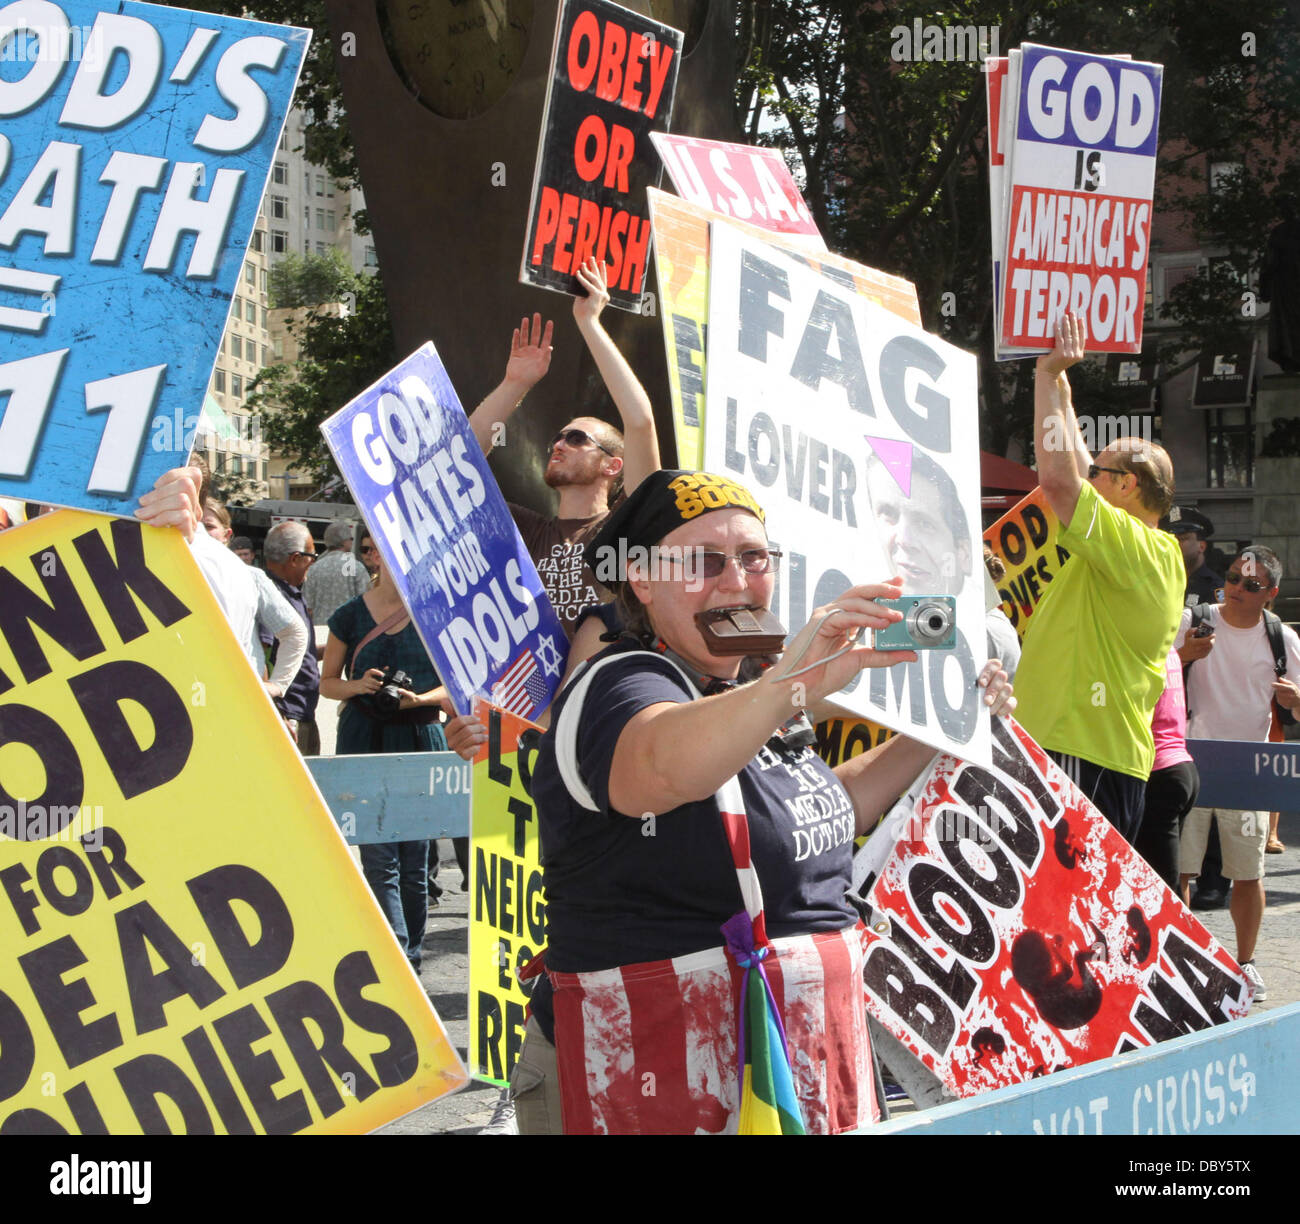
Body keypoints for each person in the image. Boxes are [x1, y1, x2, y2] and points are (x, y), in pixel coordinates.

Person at [488, 469, 1015, 1135]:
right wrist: (793, 684)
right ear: (643, 582)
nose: (737, 580)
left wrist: (946, 732)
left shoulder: (761, 688)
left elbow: (821, 815)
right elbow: (666, 766)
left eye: (753, 558)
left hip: (798, 1064)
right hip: (650, 1073)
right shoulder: (620, 680)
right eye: (704, 562)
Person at [1013, 313, 1184, 842]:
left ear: (1127, 486)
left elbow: (1060, 480)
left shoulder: (1141, 549)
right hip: (1082, 746)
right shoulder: (1137, 546)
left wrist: (1043, 380)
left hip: (1085, 748)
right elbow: (1077, 464)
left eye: (1102, 475)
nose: (1092, 476)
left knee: (1068, 920)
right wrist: (1060, 382)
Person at [467, 256, 660, 637]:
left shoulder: (626, 527)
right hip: (532, 694)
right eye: (558, 436)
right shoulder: (530, 531)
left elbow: (640, 422)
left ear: (613, 466)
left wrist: (589, 323)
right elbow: (458, 462)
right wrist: (515, 384)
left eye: (576, 438)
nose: (559, 444)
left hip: (600, 690)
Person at [1175, 546, 1300, 1002]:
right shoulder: (1196, 620)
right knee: (1181, 870)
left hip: (1249, 768)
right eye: (1231, 578)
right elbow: (1153, 675)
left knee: (1249, 873)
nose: (1236, 589)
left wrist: (1295, 703)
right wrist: (1184, 654)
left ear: (1271, 593)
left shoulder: (1280, 638)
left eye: (1250, 585)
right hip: (1191, 759)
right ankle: (1180, 960)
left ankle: (1246, 964)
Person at [320, 553, 453, 969]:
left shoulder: (437, 612)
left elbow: (457, 688)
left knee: (416, 858)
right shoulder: (349, 615)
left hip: (420, 735)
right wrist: (359, 686)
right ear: (373, 554)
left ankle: (411, 955)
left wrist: (421, 699)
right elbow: (327, 684)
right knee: (379, 855)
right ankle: (398, 956)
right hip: (364, 737)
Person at [201, 494, 307, 701]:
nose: (201, 534)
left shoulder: (250, 577)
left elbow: (294, 633)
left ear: (226, 535)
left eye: (208, 526)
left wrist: (277, 685)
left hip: (239, 700)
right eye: (195, 526)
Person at [865, 449, 972, 597]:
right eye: (889, 514)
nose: (903, 540)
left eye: (924, 524)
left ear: (964, 553)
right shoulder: (844, 614)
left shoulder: (985, 619)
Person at [1135, 647, 1199, 890]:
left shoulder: (1146, 649)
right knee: (1168, 883)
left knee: (1162, 890)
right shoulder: (1167, 648)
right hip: (1178, 764)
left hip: (1158, 770)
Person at [261, 521, 323, 754]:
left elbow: (295, 651)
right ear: (295, 558)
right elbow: (262, 652)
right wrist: (277, 710)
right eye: (312, 556)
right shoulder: (272, 596)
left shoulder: (291, 593)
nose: (313, 563)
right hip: (288, 715)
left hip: (301, 711)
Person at [303, 520, 370, 624]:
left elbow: (308, 607)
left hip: (320, 630)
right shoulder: (357, 568)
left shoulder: (314, 569)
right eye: (350, 539)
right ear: (344, 541)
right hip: (347, 631)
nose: (352, 542)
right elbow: (367, 602)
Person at [1162, 506, 1222, 608]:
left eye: (1182, 539)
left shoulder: (1214, 587)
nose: (1174, 544)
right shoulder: (1161, 581)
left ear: (1202, 546)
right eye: (1170, 539)